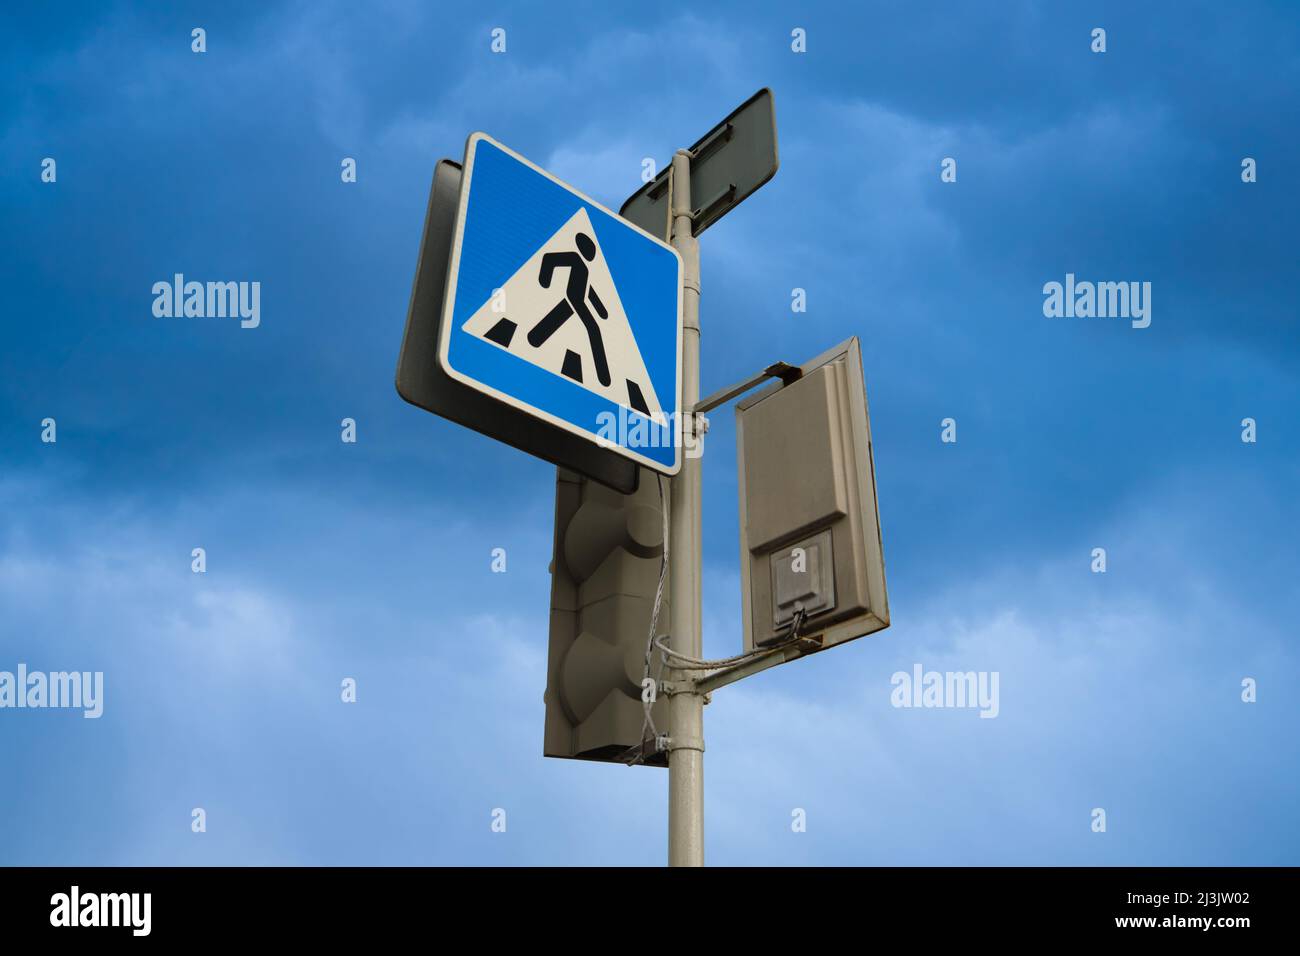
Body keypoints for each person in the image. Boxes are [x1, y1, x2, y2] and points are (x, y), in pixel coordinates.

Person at [526, 232, 612, 386]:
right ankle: (604, 377)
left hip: (575, 300)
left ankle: (534, 337)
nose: (591, 254)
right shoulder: (574, 257)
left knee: (556, 318)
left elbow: (589, 291)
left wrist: (601, 310)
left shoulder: (585, 269)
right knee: (594, 329)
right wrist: (545, 279)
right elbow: (550, 259)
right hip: (574, 299)